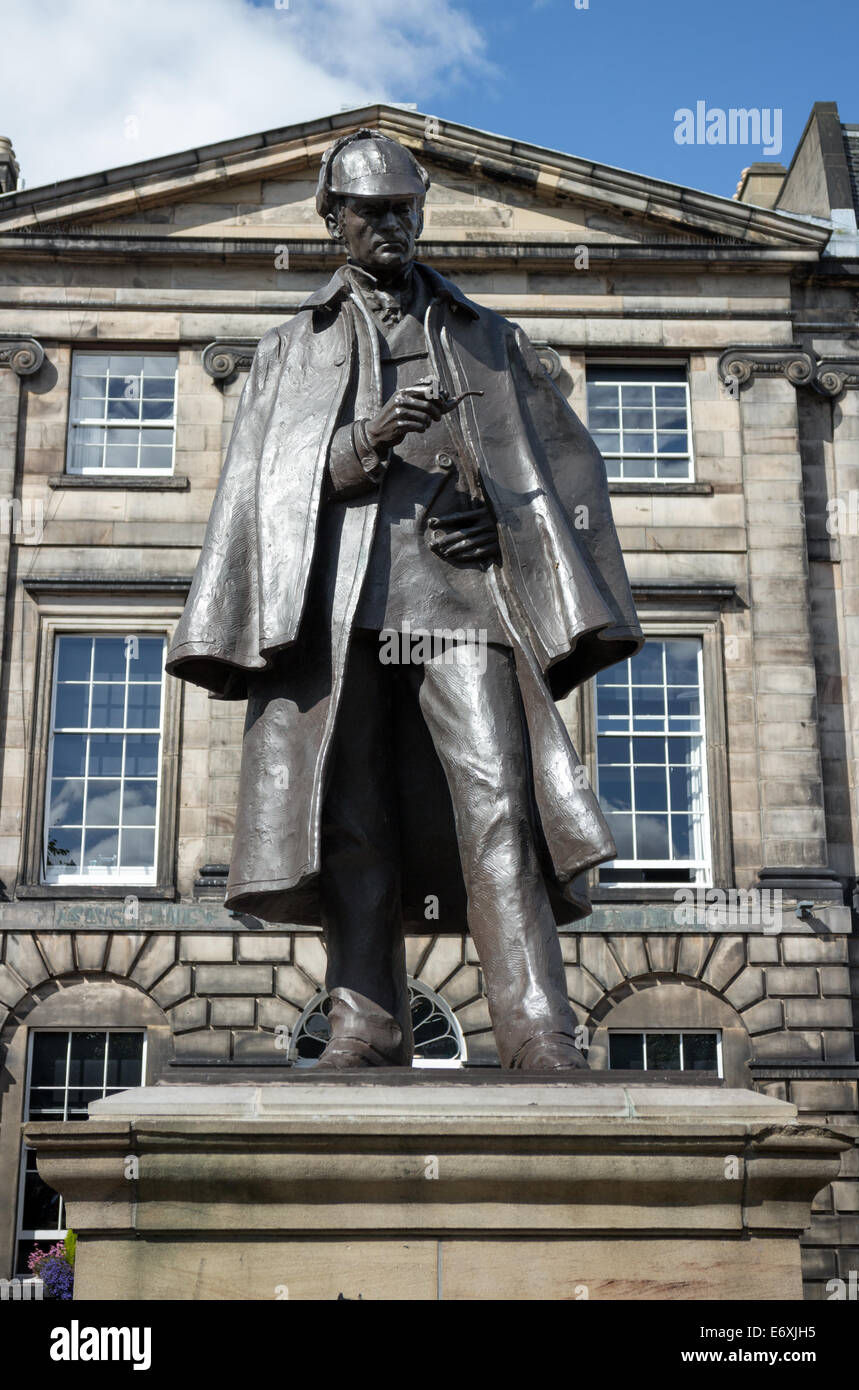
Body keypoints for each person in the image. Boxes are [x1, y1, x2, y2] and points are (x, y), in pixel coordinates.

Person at [166, 130, 643, 1071]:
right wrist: (366, 441)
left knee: (501, 803)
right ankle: (366, 1021)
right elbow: (261, 494)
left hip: (459, 609)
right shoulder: (285, 351)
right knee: (349, 818)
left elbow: (567, 476)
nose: (391, 225)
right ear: (331, 219)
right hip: (337, 613)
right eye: (370, 211)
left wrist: (504, 528)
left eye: (404, 208)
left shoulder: (485, 337)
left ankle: (538, 1028)